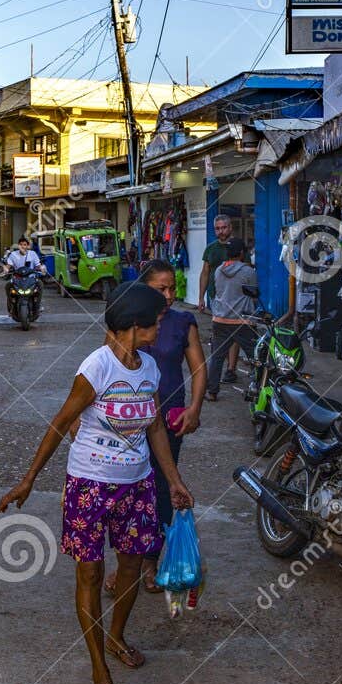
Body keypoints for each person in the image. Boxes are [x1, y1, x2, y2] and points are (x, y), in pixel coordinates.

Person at [0, 282, 194, 684]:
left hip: (138, 484)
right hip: (90, 484)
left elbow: (156, 427)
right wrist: (29, 478)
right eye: (156, 322)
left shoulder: (149, 368)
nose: (161, 328)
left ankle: (117, 636)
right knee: (89, 574)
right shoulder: (97, 368)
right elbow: (59, 422)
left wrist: (174, 479)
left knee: (129, 567)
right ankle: (99, 669)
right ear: (133, 325)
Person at [104, 259, 206, 599]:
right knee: (129, 490)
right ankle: (125, 562)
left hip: (170, 420)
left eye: (172, 288)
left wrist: (195, 407)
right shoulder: (128, 323)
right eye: (160, 288)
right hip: (131, 420)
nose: (169, 295)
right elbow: (106, 368)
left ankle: (149, 562)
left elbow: (198, 368)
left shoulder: (182, 323)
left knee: (163, 489)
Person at [205, 238, 259, 402]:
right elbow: (255, 295)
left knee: (217, 357)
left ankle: (212, 392)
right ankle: (259, 388)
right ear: (242, 253)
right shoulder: (249, 272)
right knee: (257, 358)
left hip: (220, 319)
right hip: (243, 321)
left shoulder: (219, 270)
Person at [197, 213, 233, 311]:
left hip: (234, 297)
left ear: (230, 227)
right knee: (217, 324)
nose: (221, 231)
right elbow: (205, 273)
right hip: (214, 296)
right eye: (217, 229)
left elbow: (246, 270)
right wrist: (201, 298)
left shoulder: (238, 246)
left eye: (224, 227)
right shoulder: (210, 248)